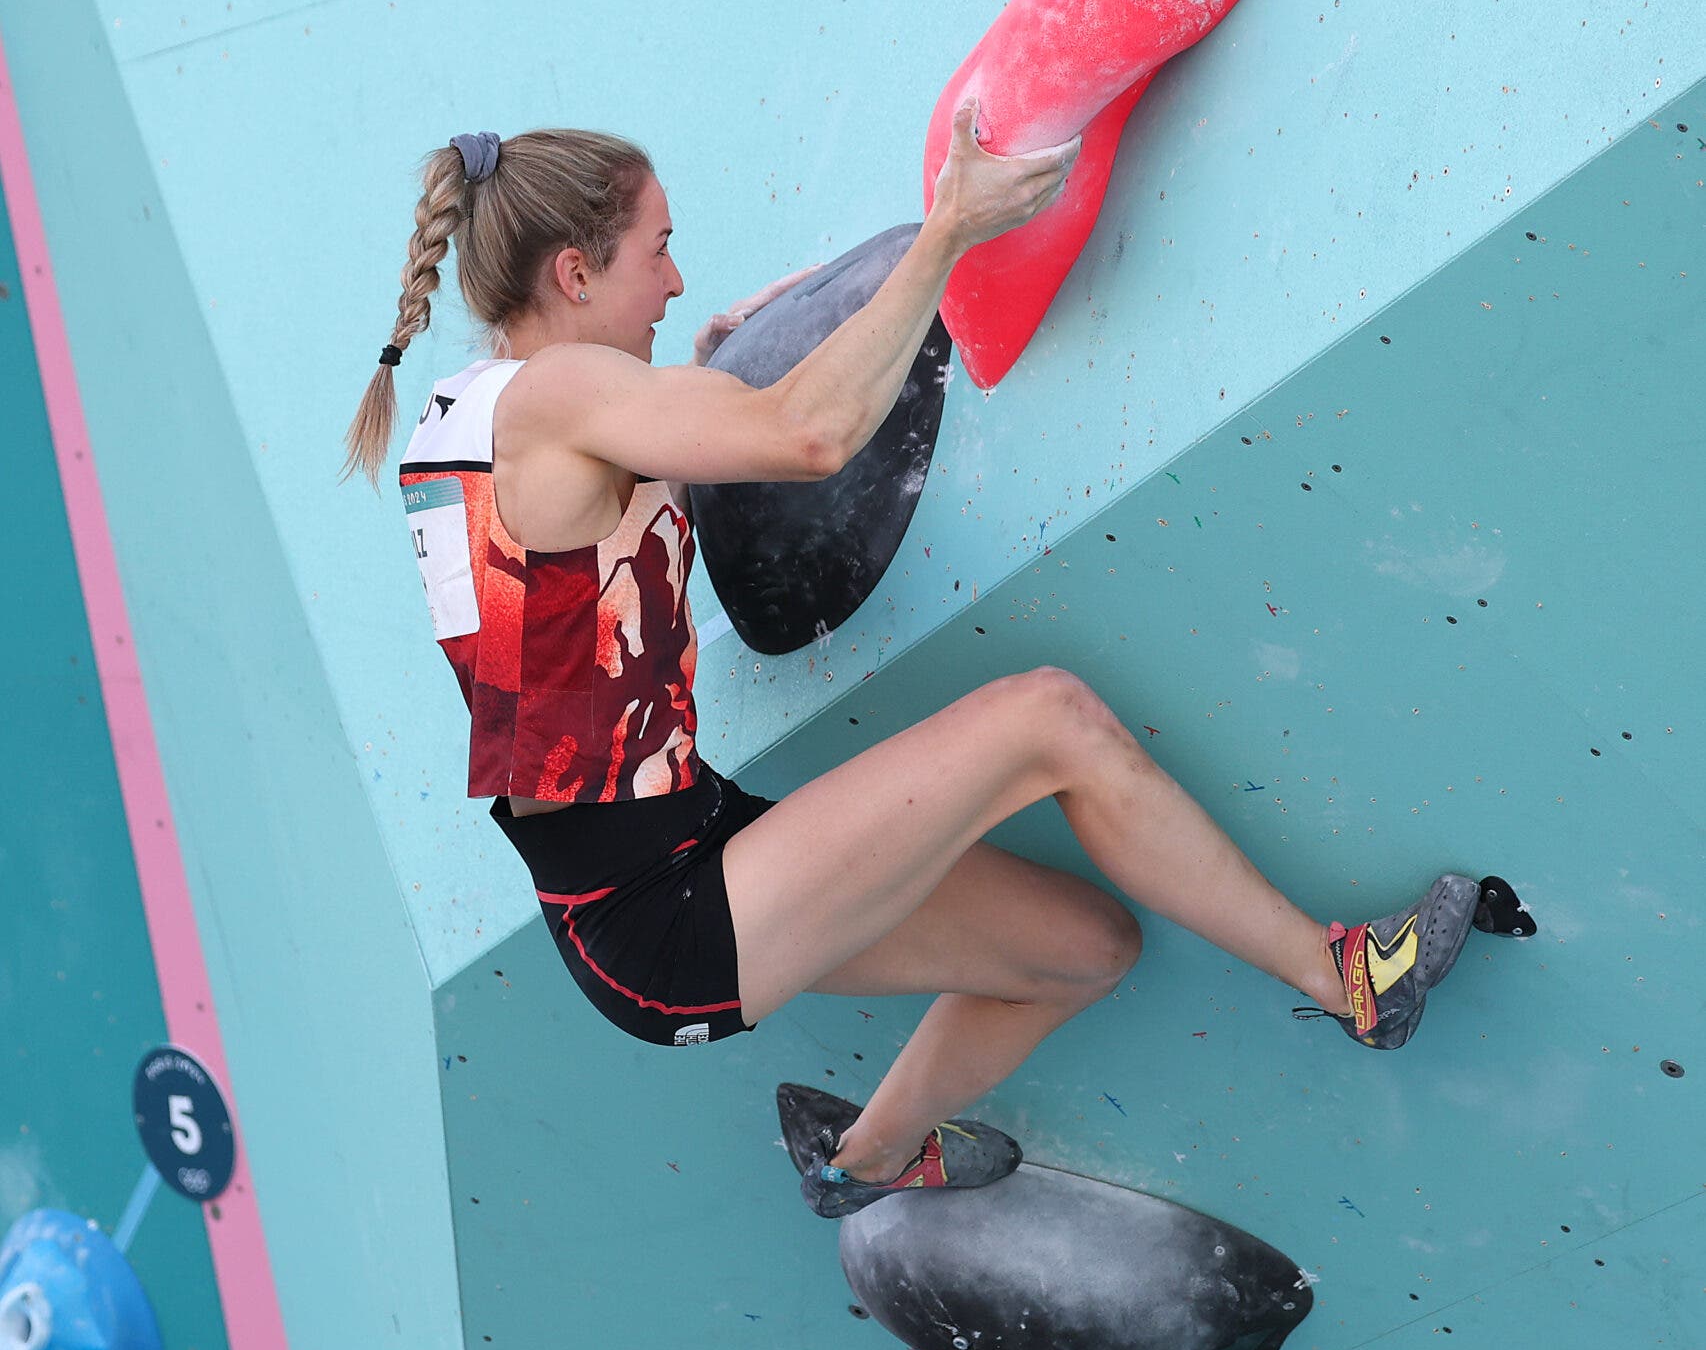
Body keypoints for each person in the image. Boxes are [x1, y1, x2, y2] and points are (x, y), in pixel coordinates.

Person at [343, 109, 1483, 1220]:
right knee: (1049, 721)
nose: (678, 280)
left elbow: (579, 574)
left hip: (682, 851)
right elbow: (809, 437)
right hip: (660, 913)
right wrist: (948, 229)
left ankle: (864, 1161)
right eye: (659, 248)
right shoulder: (561, 398)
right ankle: (1348, 981)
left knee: (1084, 949)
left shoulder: (466, 418)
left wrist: (686, 398)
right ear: (575, 276)